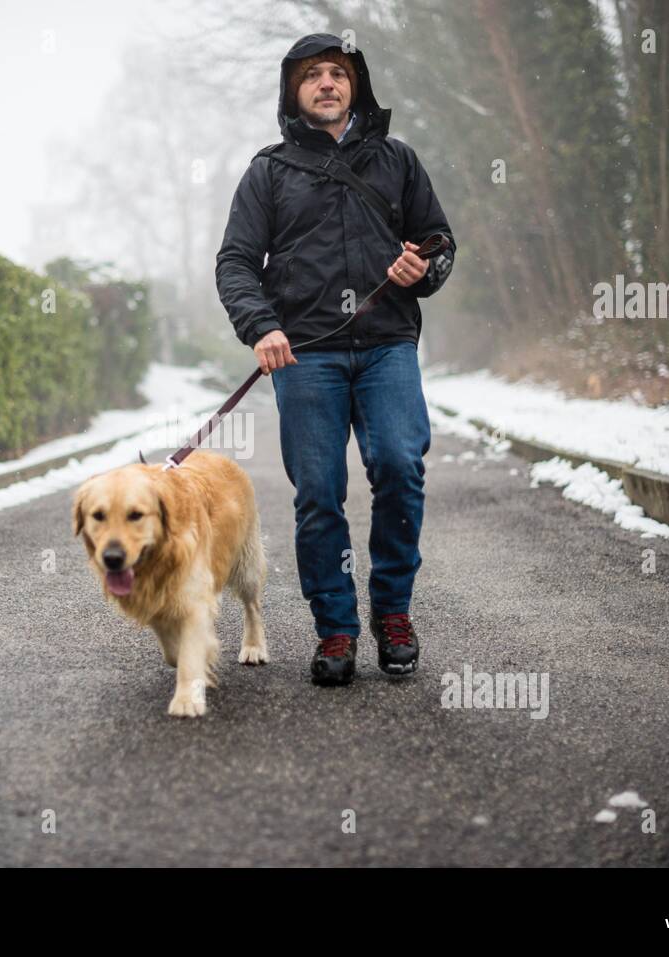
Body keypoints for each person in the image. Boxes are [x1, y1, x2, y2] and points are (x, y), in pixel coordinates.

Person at [215, 32, 456, 686]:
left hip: (387, 347)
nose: (328, 82)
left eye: (339, 73)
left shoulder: (397, 160)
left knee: (401, 466)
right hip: (306, 356)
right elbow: (235, 262)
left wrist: (421, 269)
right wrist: (261, 325)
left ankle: (394, 613)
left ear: (356, 85)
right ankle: (337, 629)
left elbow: (439, 244)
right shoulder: (269, 170)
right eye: (313, 75)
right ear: (294, 91)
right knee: (319, 494)